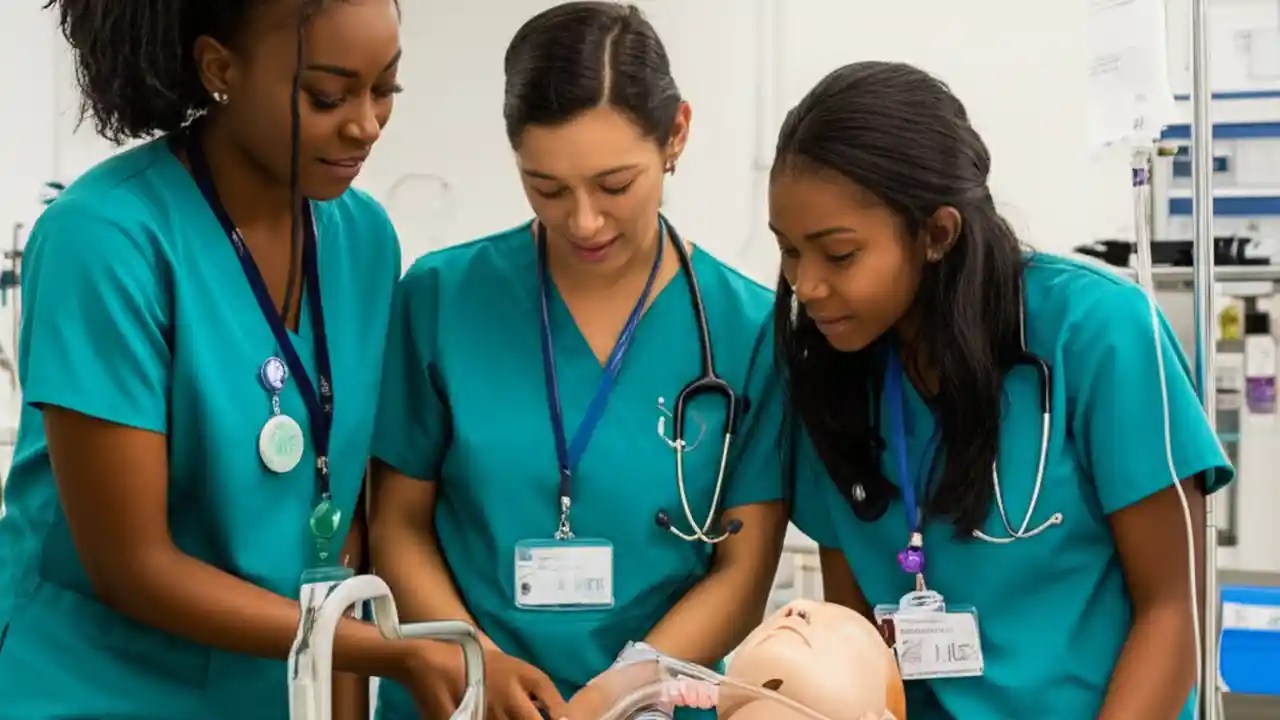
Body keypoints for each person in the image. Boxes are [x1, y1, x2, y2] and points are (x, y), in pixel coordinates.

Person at [0, 1, 453, 717]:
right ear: (220, 69)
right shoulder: (108, 241)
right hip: (90, 686)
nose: (365, 124)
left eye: (385, 89)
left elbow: (338, 525)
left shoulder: (363, 240)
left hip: (268, 689)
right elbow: (132, 567)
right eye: (327, 96)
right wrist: (384, 652)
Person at [772, 61, 1234, 720]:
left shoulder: (1099, 332)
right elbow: (852, 653)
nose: (807, 286)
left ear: (937, 233)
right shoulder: (831, 370)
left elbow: (1176, 608)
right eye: (789, 251)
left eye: (838, 254)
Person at [368, 3, 789, 719]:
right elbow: (397, 523)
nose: (584, 221)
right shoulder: (441, 299)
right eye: (548, 188)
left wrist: (623, 694)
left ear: (676, 134)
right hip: (463, 699)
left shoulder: (747, 331)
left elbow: (742, 570)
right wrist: (475, 661)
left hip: (656, 703)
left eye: (615, 185)